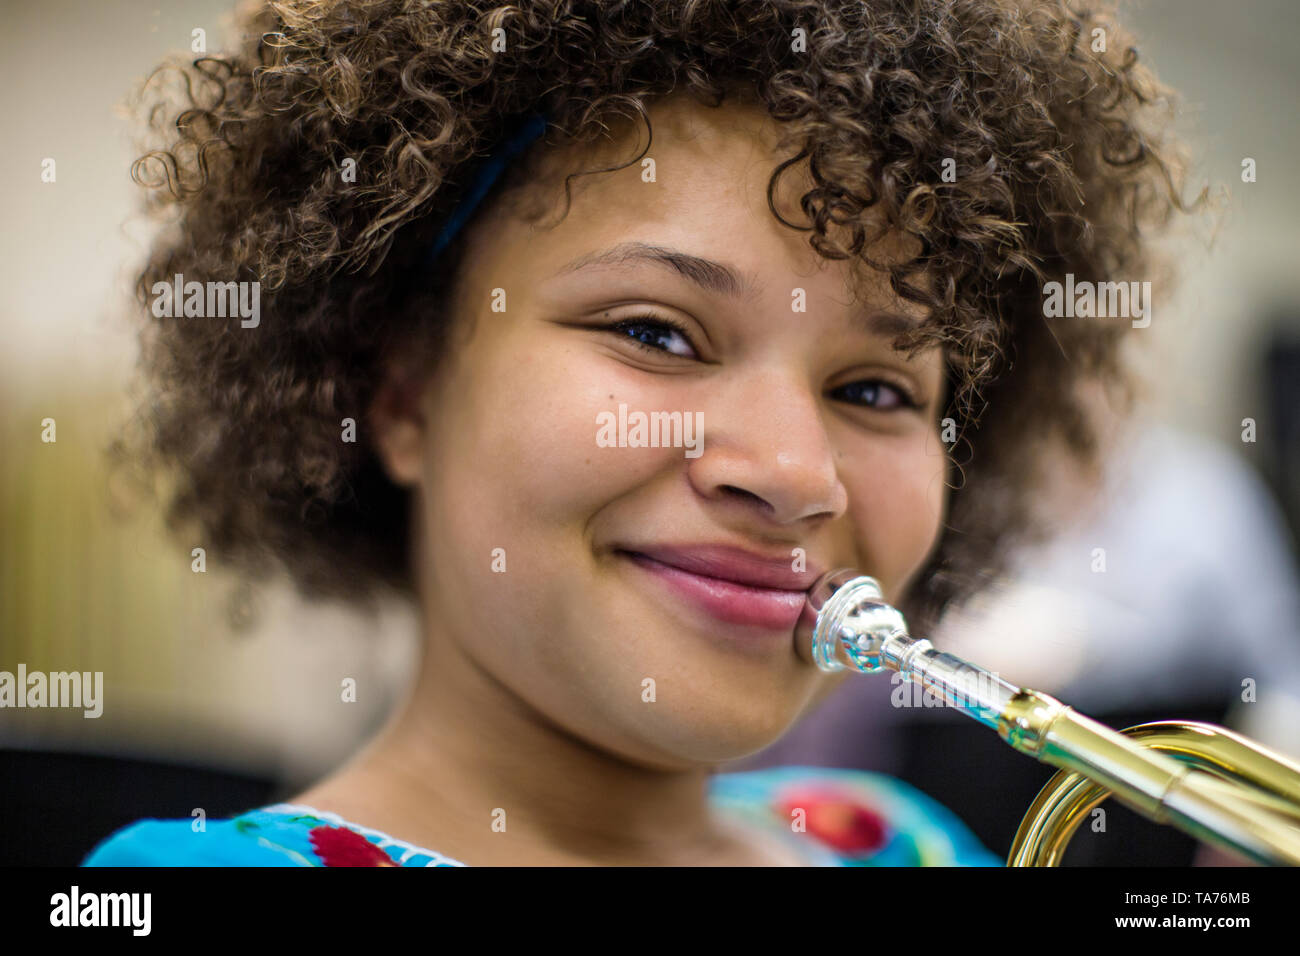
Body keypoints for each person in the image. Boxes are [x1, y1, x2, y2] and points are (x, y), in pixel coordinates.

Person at [82, 0, 1198, 866]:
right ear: (403, 390)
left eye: (875, 392)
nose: (796, 478)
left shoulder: (895, 838)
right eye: (657, 333)